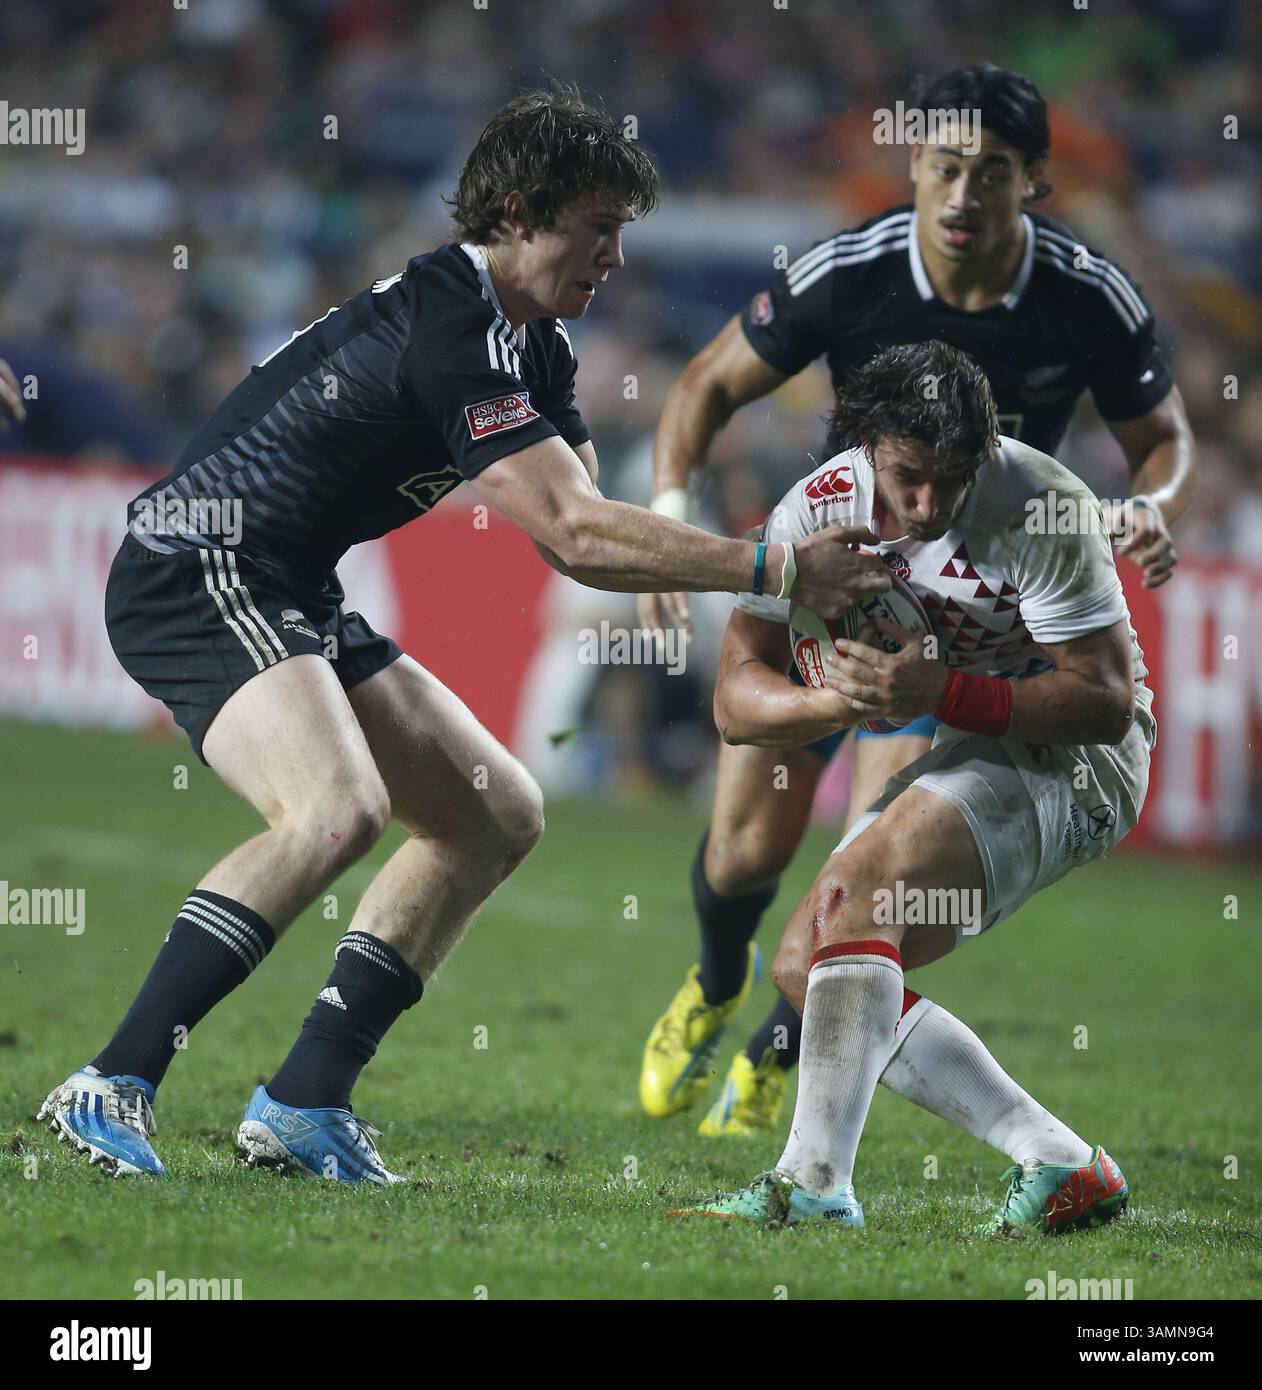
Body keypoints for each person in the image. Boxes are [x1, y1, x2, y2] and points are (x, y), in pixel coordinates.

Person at [35, 85, 889, 1184]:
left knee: (493, 812)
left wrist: (676, 549)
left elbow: (584, 518)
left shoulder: (533, 345)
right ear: (521, 212)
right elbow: (578, 533)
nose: (616, 259)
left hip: (288, 580)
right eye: (599, 227)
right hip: (196, 566)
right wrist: (770, 566)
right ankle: (111, 1078)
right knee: (334, 811)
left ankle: (303, 1101)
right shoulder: (454, 327)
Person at [638, 64, 1196, 1138]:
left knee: (864, 871)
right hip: (841, 587)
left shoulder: (1086, 295)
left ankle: (779, 1045)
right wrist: (673, 520)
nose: (960, 195)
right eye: (943, 167)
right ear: (913, 164)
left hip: (981, 624)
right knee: (744, 850)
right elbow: (705, 385)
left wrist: (1152, 503)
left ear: (1033, 180)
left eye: (990, 172)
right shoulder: (849, 270)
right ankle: (715, 980)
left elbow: (1163, 437)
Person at [669, 340, 1147, 1233]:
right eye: (908, 477)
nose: (928, 504)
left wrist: (943, 693)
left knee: (858, 898)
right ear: (864, 447)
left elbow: (1107, 703)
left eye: (953, 476)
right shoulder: (817, 509)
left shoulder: (1040, 505)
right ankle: (1060, 1161)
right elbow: (736, 700)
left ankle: (811, 1186)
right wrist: (829, 699)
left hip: (1075, 759)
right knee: (805, 963)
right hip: (973, 735)